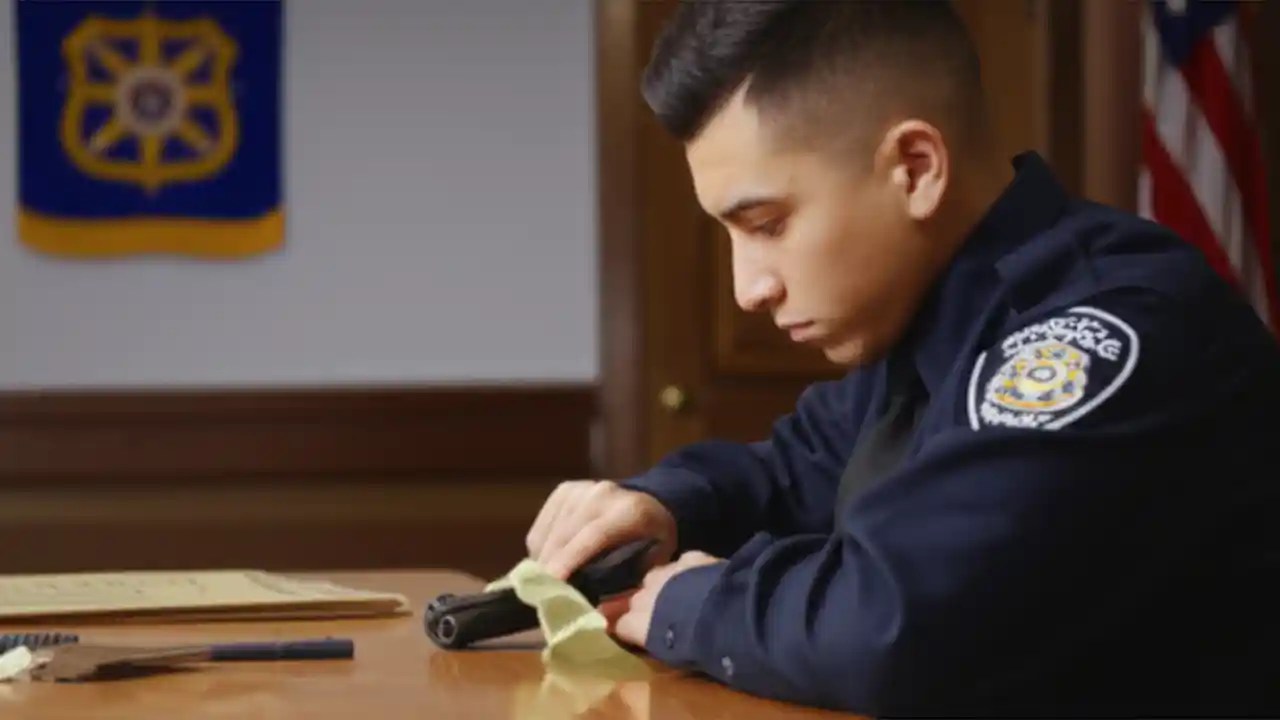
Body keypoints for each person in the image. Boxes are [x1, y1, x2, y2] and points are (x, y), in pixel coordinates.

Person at [525, 1, 1280, 715]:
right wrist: (661, 506)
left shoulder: (1106, 330)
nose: (748, 288)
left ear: (916, 167)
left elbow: (900, 626)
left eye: (767, 223)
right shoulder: (931, 321)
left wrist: (697, 604)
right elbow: (793, 472)